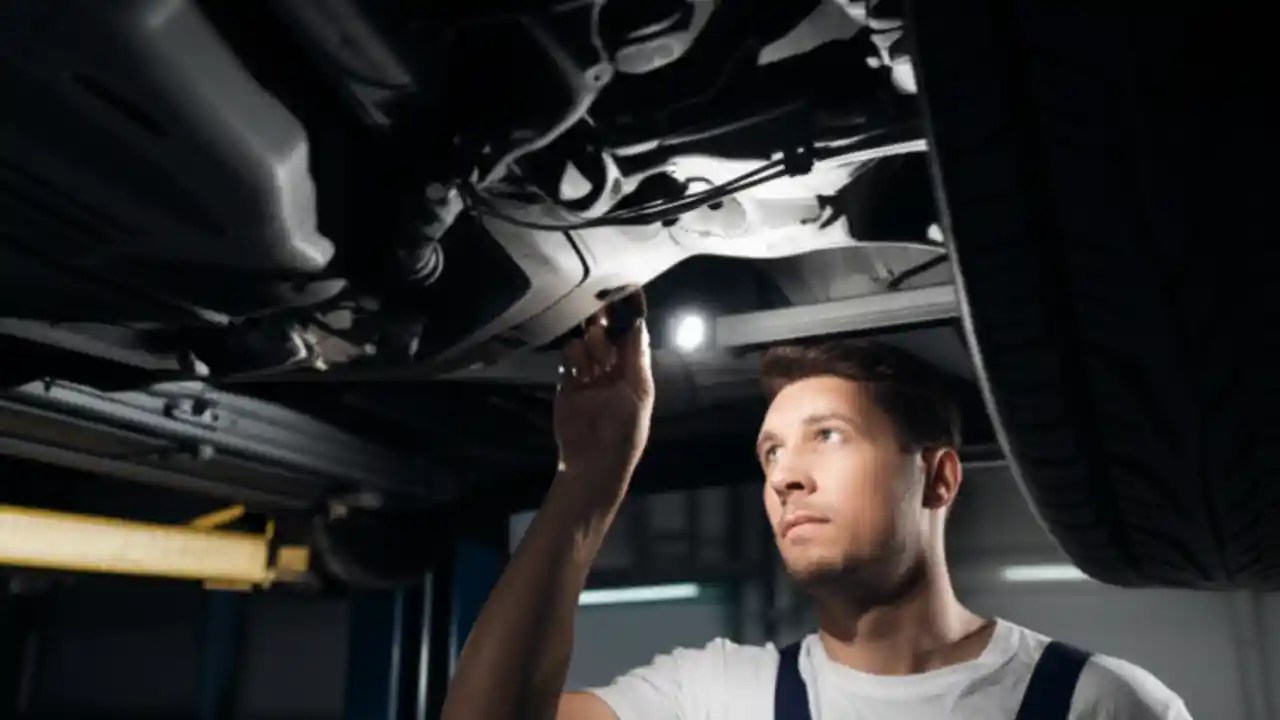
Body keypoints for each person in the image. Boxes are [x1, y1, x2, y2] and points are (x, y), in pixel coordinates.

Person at [441, 309, 1192, 720]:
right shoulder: (721, 697)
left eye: (826, 437)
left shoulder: (1100, 706)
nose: (786, 478)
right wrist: (590, 476)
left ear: (937, 479)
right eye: (770, 454)